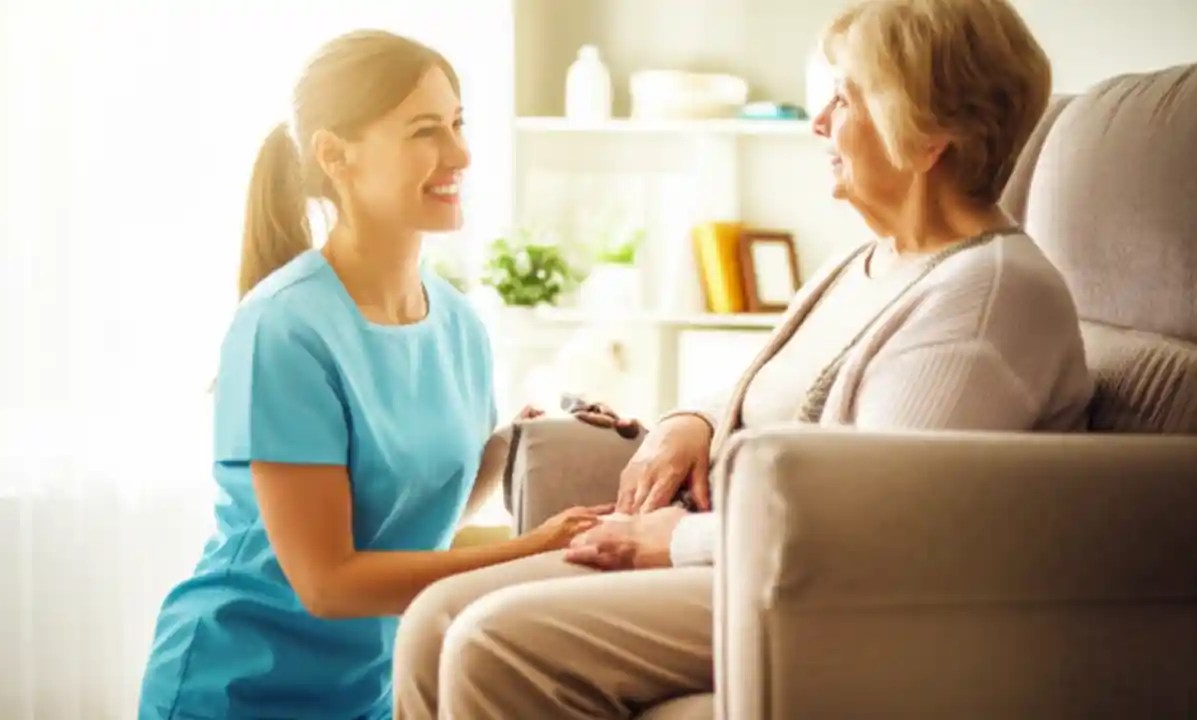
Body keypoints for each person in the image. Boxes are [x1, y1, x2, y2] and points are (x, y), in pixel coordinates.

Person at [392, 0, 1094, 717]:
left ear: (925, 136)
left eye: (846, 98)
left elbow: (879, 529)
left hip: (831, 599)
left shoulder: (985, 299)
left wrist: (676, 540)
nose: (819, 121)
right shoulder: (876, 260)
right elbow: (766, 384)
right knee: (432, 621)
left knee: (493, 643)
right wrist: (689, 420)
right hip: (752, 558)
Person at [137, 30, 608, 720]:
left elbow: (408, 505)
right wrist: (531, 551)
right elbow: (328, 581)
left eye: (457, 124)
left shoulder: (456, 322)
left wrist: (518, 441)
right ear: (335, 156)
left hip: (364, 690)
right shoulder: (284, 328)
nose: (461, 155)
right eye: (425, 132)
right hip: (238, 689)